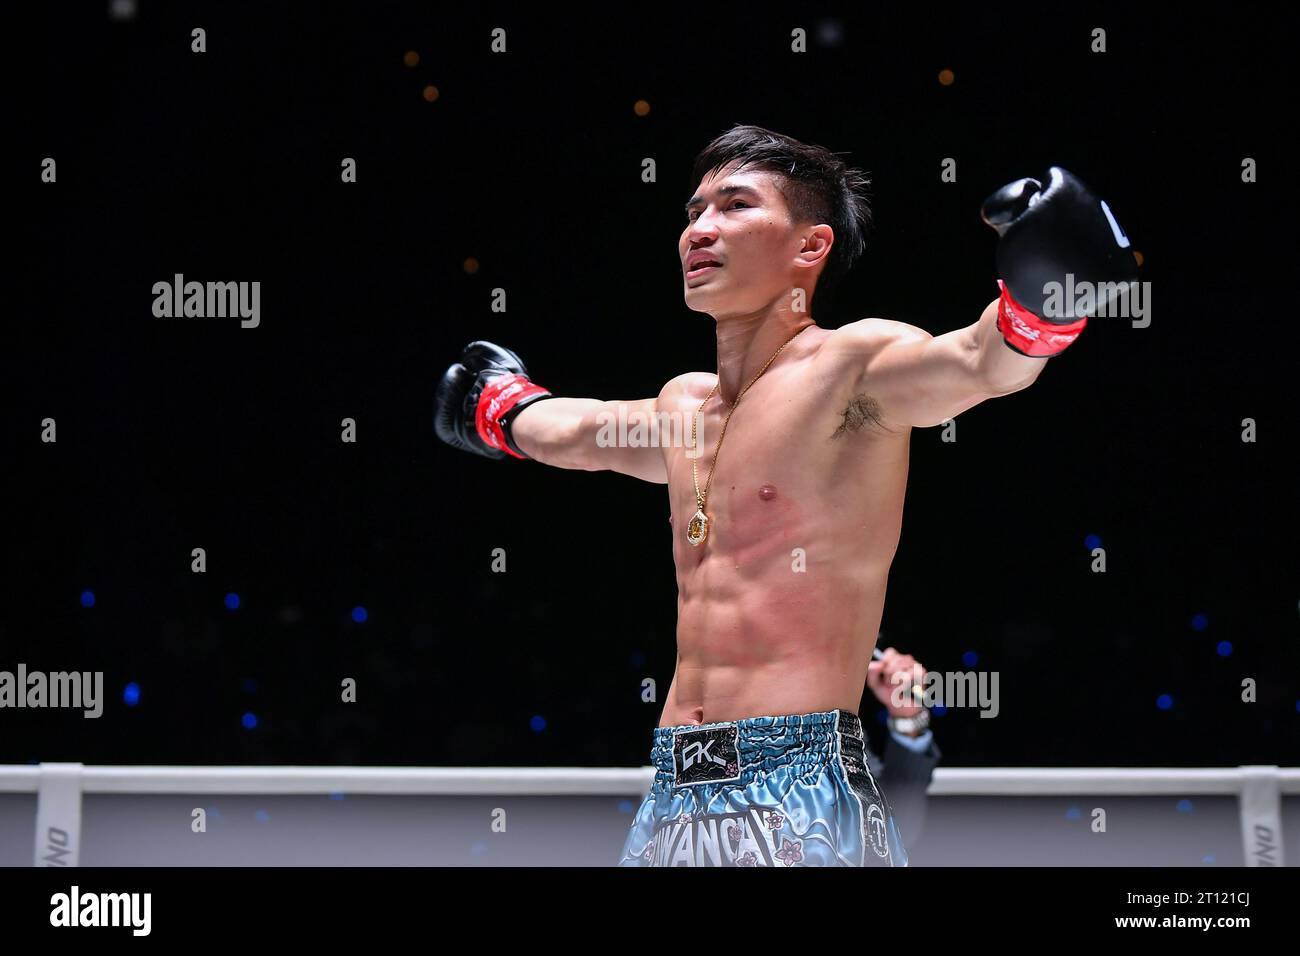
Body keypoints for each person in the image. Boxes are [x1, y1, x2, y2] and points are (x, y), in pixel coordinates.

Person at [435, 125, 1136, 866]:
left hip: (798, 788)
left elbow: (979, 360)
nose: (699, 230)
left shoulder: (852, 371)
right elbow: (579, 432)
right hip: (674, 789)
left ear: (809, 247)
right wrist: (497, 407)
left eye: (735, 205)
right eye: (693, 210)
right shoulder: (683, 408)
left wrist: (1049, 297)